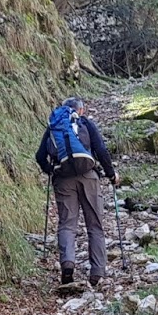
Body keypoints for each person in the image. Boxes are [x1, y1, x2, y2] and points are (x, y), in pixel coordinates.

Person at [53, 96, 116, 286]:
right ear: (80, 110)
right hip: (89, 177)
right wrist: (112, 175)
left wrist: (52, 171)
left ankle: (68, 264)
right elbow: (101, 150)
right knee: (95, 225)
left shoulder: (55, 126)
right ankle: (97, 272)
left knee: (67, 224)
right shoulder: (86, 123)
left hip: (63, 179)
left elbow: (41, 155)